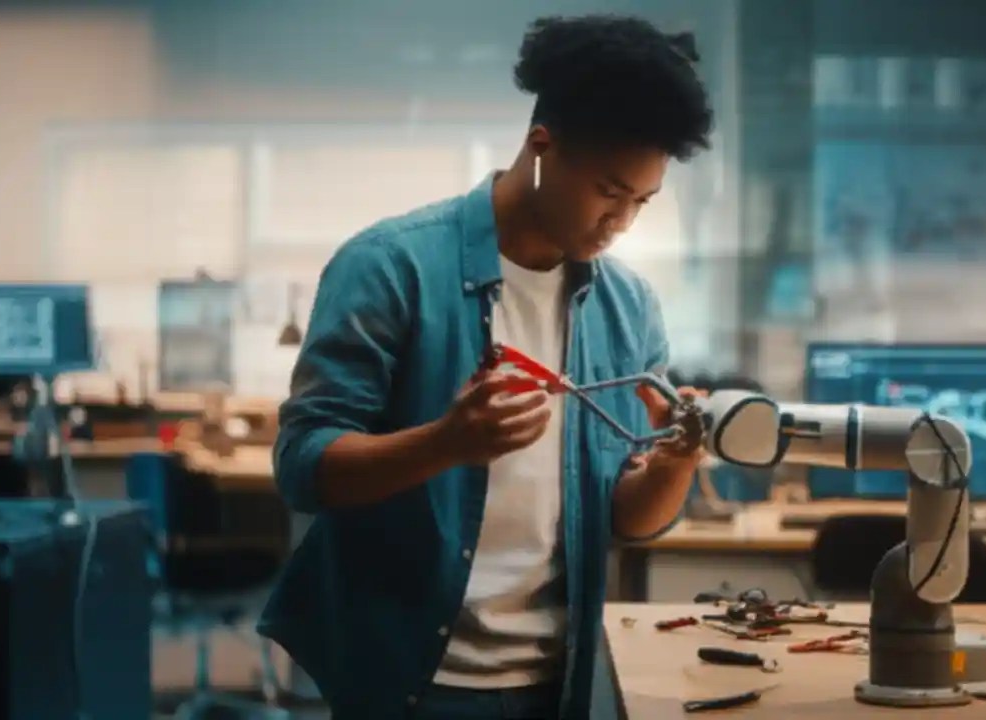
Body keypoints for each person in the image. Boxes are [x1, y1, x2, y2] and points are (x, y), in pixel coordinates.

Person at [259, 14, 714, 720]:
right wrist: (447, 443)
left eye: (642, 203)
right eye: (609, 192)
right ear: (542, 148)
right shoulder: (391, 266)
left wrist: (678, 461)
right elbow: (303, 468)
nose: (621, 223)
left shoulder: (627, 306)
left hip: (557, 679)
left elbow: (628, 518)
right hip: (405, 674)